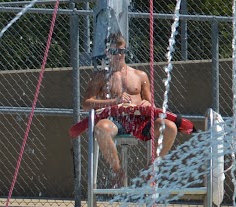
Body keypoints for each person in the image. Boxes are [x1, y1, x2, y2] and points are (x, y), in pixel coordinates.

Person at [71, 32, 193, 187]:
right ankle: (117, 171)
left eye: (122, 52)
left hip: (139, 120)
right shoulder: (100, 76)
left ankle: (152, 170)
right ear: (108, 52)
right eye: (115, 52)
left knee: (170, 127)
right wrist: (114, 101)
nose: (119, 56)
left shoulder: (140, 75)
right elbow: (87, 104)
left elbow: (151, 104)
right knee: (101, 129)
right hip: (115, 120)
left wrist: (146, 105)